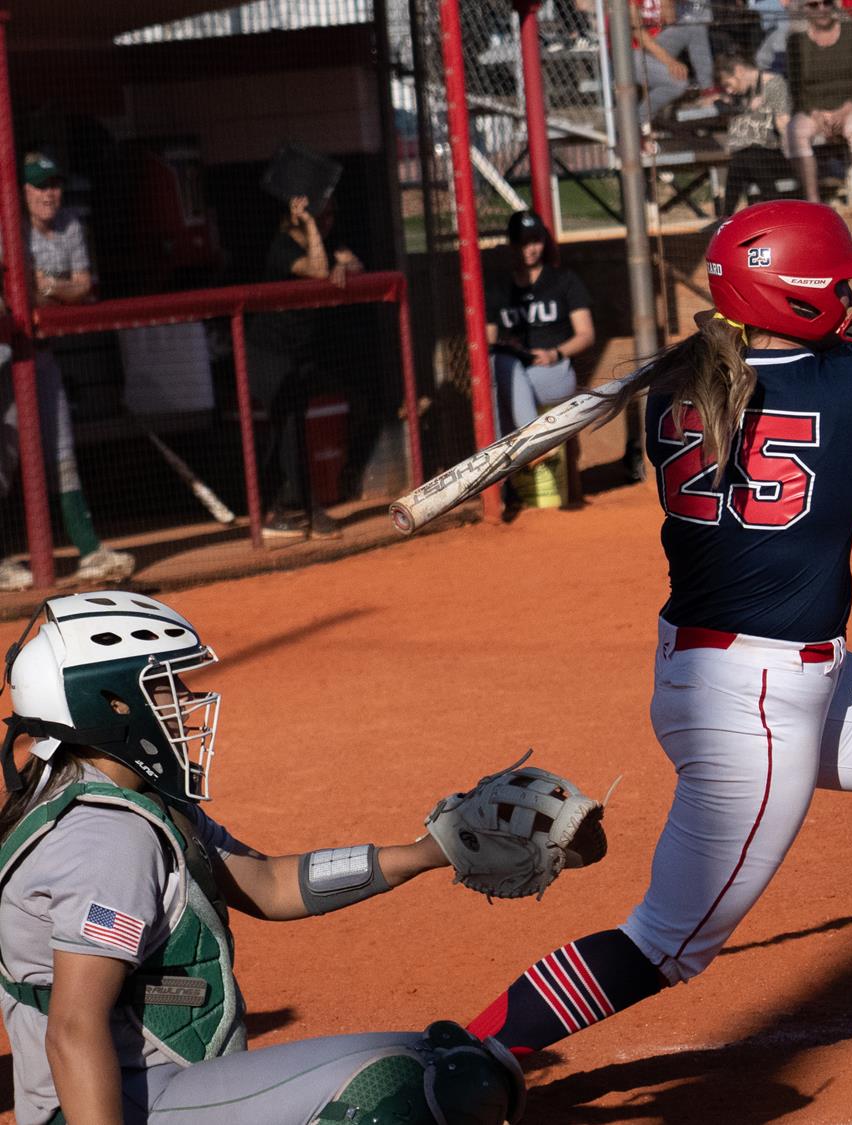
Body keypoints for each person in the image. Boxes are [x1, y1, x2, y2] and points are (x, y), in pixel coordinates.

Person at [462, 201, 852, 1066]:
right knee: (668, 942)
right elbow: (827, 369)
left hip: (741, 671)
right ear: (797, 296)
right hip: (758, 708)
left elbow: (743, 367)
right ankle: (454, 1057)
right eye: (838, 283)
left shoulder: (673, 385)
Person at [0, 591, 528, 1124]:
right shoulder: (106, 840)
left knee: (456, 1064)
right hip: (102, 1104)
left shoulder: (136, 799)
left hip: (155, 1084)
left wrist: (428, 853)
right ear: (110, 702)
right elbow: (73, 1028)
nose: (185, 700)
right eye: (163, 686)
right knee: (413, 1089)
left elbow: (270, 884)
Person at [0, 154, 135, 591]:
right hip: (4, 353)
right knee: (3, 459)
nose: (48, 193)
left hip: (41, 355)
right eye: (39, 186)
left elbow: (82, 288)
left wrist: (52, 288)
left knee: (61, 450)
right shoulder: (8, 230)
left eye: (54, 184)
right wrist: (41, 292)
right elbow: (14, 296)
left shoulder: (71, 224)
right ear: (20, 192)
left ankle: (90, 550)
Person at [243, 193, 358, 540]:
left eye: (328, 215)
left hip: (299, 353)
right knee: (288, 430)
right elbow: (319, 270)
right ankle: (304, 509)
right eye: (319, 217)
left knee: (291, 430)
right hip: (267, 352)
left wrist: (344, 266)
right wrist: (309, 225)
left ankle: (285, 509)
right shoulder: (283, 247)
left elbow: (356, 265)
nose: (327, 222)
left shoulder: (327, 242)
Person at [485, 211, 595, 445]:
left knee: (501, 390)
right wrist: (507, 346)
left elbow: (586, 334)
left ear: (543, 242)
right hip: (515, 371)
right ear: (512, 245)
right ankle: (524, 459)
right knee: (502, 365)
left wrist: (555, 353)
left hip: (556, 371)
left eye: (535, 241)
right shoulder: (499, 288)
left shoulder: (563, 280)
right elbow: (487, 344)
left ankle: (528, 448)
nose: (530, 249)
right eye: (523, 242)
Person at [784, 0, 852, 211]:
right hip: (814, 110)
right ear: (804, 9)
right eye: (813, 5)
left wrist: (844, 111)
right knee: (794, 131)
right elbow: (796, 87)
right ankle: (813, 203)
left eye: (826, 3)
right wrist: (817, 115)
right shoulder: (796, 41)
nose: (821, 9)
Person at [718, 50, 797, 213]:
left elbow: (784, 124)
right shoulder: (742, 96)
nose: (729, 90)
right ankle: (775, 208)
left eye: (728, 83)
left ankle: (725, 217)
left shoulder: (773, 83)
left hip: (778, 155)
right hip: (751, 160)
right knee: (744, 156)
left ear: (739, 70)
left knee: (747, 156)